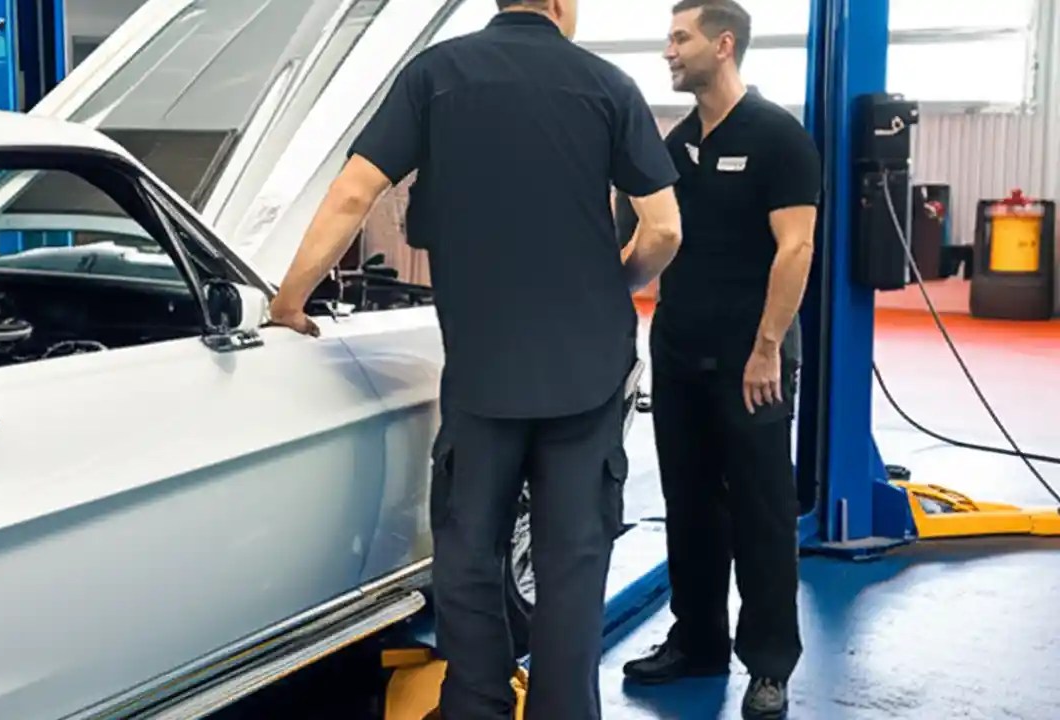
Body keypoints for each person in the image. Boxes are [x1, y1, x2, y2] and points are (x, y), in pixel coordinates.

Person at [267, 1, 683, 717]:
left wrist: (289, 300)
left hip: (483, 371)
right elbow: (664, 228)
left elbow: (354, 193)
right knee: (572, 563)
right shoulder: (607, 84)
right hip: (585, 374)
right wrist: (611, 282)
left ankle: (476, 705)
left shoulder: (434, 75)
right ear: (560, 5)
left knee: (466, 557)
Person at [618, 2, 821, 719]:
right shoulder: (677, 147)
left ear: (724, 45)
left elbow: (796, 248)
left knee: (763, 512)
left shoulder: (778, 138)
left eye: (681, 38)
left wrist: (768, 348)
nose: (668, 51)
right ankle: (696, 641)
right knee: (689, 507)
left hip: (751, 361)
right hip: (678, 354)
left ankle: (768, 664)